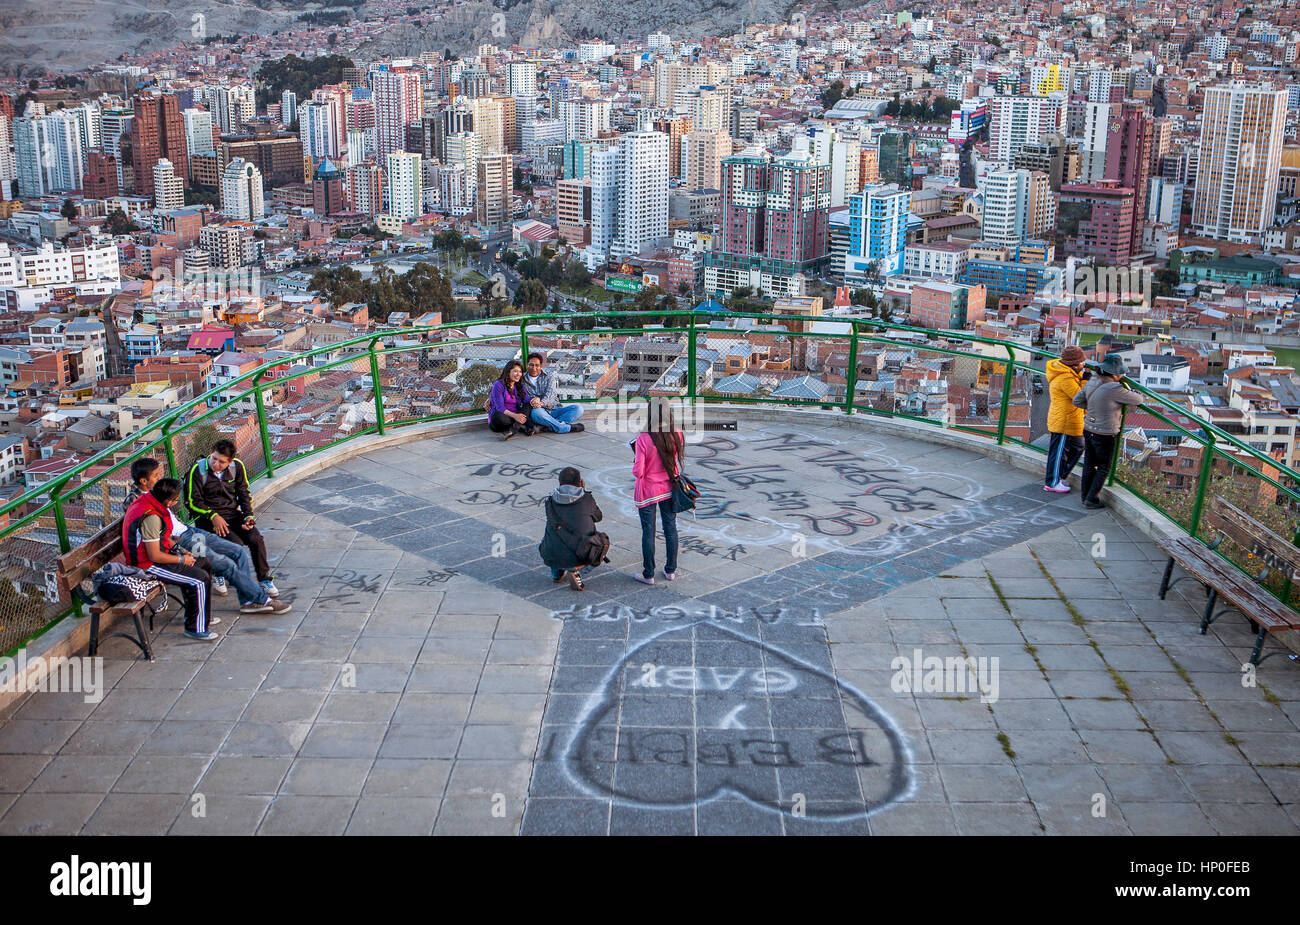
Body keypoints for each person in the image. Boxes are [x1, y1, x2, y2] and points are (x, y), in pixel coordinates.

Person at [128, 458, 290, 615]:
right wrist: (180, 550)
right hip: (181, 541)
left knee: (237, 551)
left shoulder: (159, 491)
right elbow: (155, 538)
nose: (159, 478)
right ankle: (259, 599)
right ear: (143, 480)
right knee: (224, 563)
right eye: (156, 475)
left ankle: (247, 601)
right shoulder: (138, 502)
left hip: (188, 532)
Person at [123, 478, 217, 641]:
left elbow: (163, 537)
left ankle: (200, 614)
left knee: (203, 563)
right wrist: (180, 560)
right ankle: (196, 628)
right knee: (199, 579)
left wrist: (181, 551)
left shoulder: (153, 503)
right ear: (168, 501)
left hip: (159, 554)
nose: (176, 502)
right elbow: (153, 555)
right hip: (146, 565)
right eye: (175, 500)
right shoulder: (151, 517)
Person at [185, 439, 278, 597]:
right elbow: (191, 502)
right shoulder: (197, 470)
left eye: (221, 462)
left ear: (230, 462)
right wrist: (212, 515)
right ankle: (219, 574)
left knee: (256, 539)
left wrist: (248, 516)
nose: (216, 464)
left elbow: (244, 493)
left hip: (232, 513)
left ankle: (264, 579)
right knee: (235, 544)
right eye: (214, 459)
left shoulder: (237, 467)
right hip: (207, 518)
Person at [1073, 353, 1143, 510]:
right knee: (1104, 467)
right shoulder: (1114, 388)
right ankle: (1091, 499)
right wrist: (1137, 392)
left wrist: (1094, 408)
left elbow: (1077, 400)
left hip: (1088, 428)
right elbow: (1138, 400)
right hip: (1105, 433)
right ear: (1115, 373)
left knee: (1089, 465)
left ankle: (1085, 496)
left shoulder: (1092, 381)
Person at [632, 398, 683, 585]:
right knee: (670, 528)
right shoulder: (677, 432)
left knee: (648, 531)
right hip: (670, 488)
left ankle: (648, 573)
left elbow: (638, 471)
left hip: (648, 490)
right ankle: (671, 570)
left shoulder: (644, 437)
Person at [539, 466, 603, 591]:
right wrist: (584, 492)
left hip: (551, 553)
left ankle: (557, 574)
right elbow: (598, 517)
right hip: (580, 552)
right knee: (603, 541)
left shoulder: (549, 501)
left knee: (552, 538)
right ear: (580, 482)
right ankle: (577, 571)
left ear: (560, 483)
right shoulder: (587, 500)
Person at [1043, 345, 1088, 493]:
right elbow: (1080, 397)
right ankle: (1052, 482)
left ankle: (1060, 476)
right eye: (1082, 362)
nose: (1084, 364)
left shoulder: (1069, 373)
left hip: (1071, 420)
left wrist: (1081, 376)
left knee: (1079, 446)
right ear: (1074, 364)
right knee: (1058, 453)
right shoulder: (1065, 377)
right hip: (1063, 421)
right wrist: (1085, 380)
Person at [523, 352, 585, 434]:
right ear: (527, 365)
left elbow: (551, 395)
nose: (534, 368)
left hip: (554, 409)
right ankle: (563, 428)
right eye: (531, 365)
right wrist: (534, 401)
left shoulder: (549, 376)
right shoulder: (522, 379)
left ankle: (547, 426)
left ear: (541, 366)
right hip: (540, 412)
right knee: (536, 413)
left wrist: (541, 403)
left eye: (537, 365)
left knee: (578, 409)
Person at [487, 359, 536, 441]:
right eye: (515, 371)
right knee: (497, 416)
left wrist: (535, 400)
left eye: (520, 372)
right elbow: (500, 408)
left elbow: (527, 400)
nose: (518, 374)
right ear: (508, 372)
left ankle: (513, 429)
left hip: (515, 417)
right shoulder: (498, 385)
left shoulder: (519, 385)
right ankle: (521, 426)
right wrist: (516, 416)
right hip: (502, 418)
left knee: (529, 404)